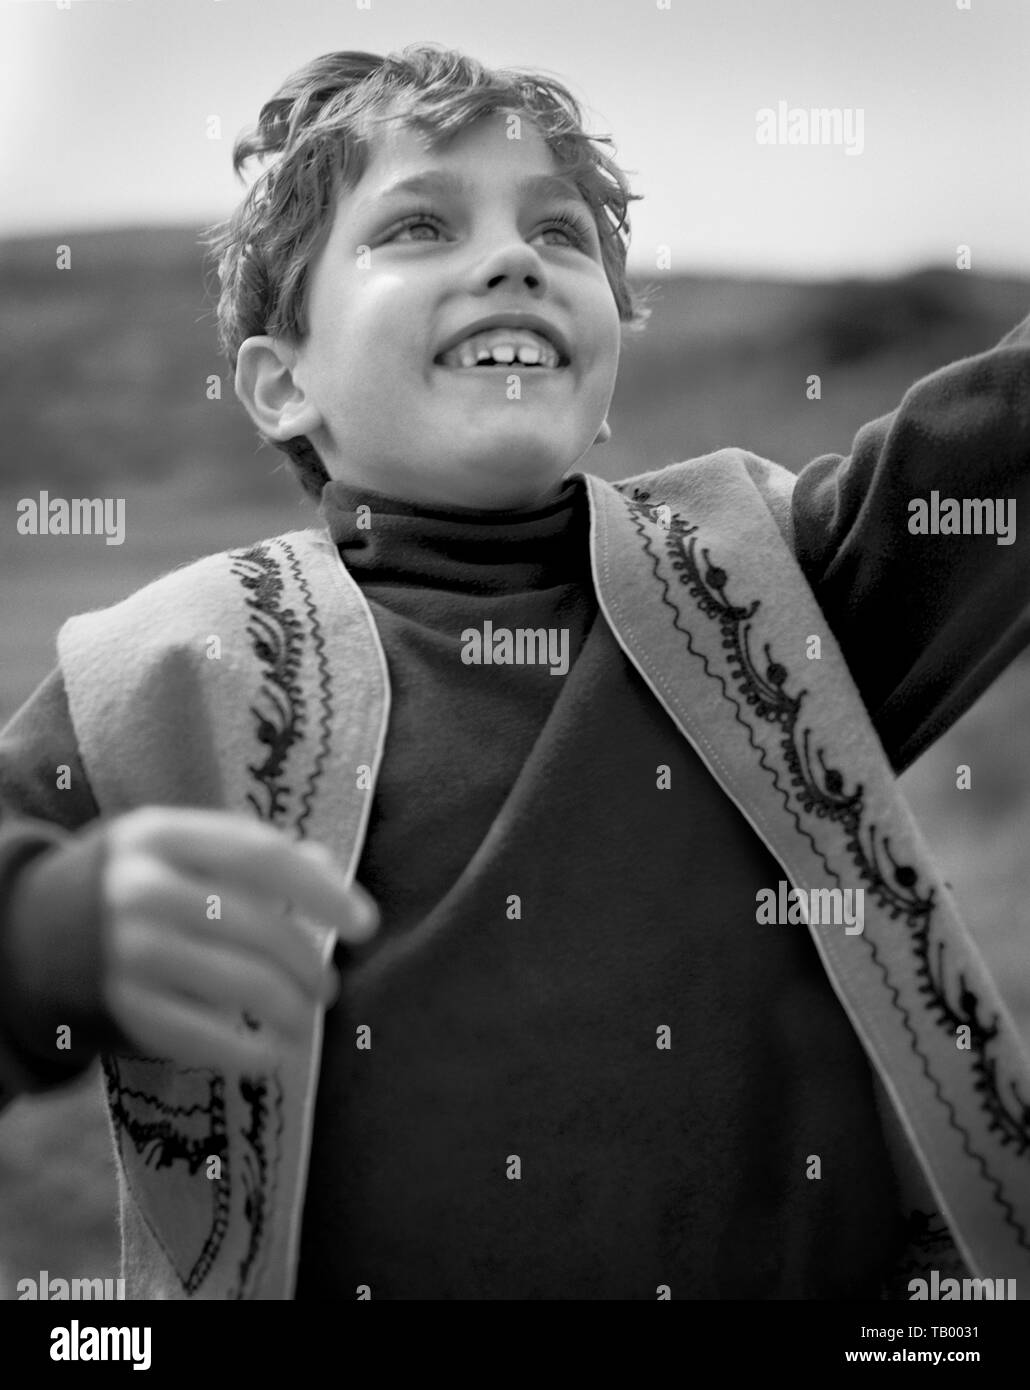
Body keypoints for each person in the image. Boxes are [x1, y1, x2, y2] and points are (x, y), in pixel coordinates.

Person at [0, 42, 1027, 1300]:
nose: (513, 256)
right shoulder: (166, 666)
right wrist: (42, 937)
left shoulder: (771, 582)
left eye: (561, 232)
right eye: (420, 223)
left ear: (605, 381)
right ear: (282, 384)